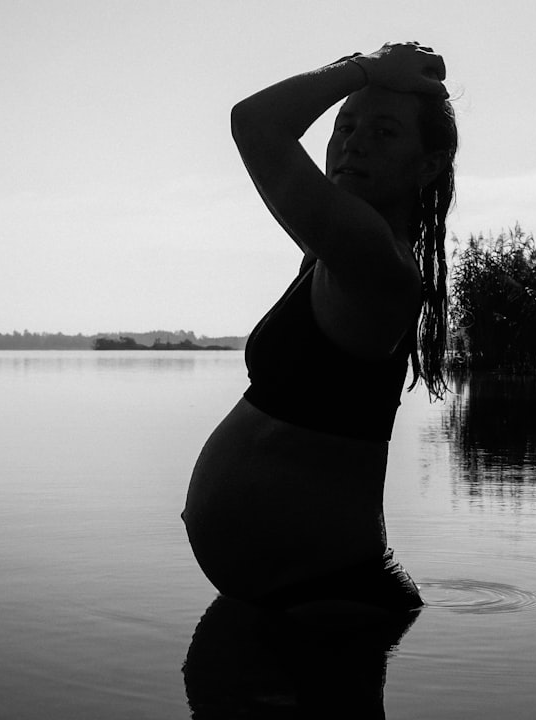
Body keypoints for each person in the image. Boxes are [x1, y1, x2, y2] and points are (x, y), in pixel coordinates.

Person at [182, 42, 457, 613]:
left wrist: (364, 67)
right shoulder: (335, 250)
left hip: (326, 604)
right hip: (299, 601)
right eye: (345, 125)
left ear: (428, 165)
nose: (353, 142)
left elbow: (256, 123)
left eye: (383, 132)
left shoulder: (375, 259)